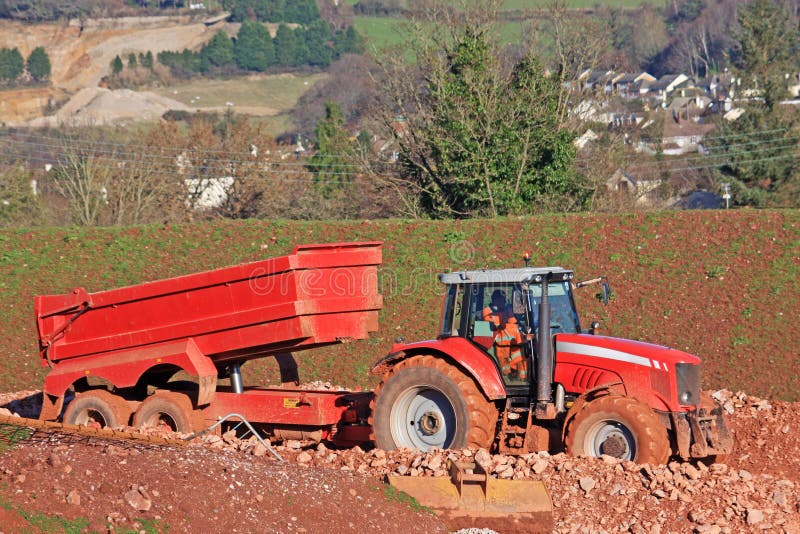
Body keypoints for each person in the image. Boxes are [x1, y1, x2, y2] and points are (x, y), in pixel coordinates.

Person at [482, 289, 527, 380]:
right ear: (495, 300)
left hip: (511, 342)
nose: (504, 301)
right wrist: (505, 319)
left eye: (505, 299)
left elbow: (513, 321)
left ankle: (521, 378)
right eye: (502, 299)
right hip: (497, 343)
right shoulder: (487, 311)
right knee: (504, 366)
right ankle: (506, 378)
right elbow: (494, 324)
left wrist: (510, 312)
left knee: (521, 357)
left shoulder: (506, 310)